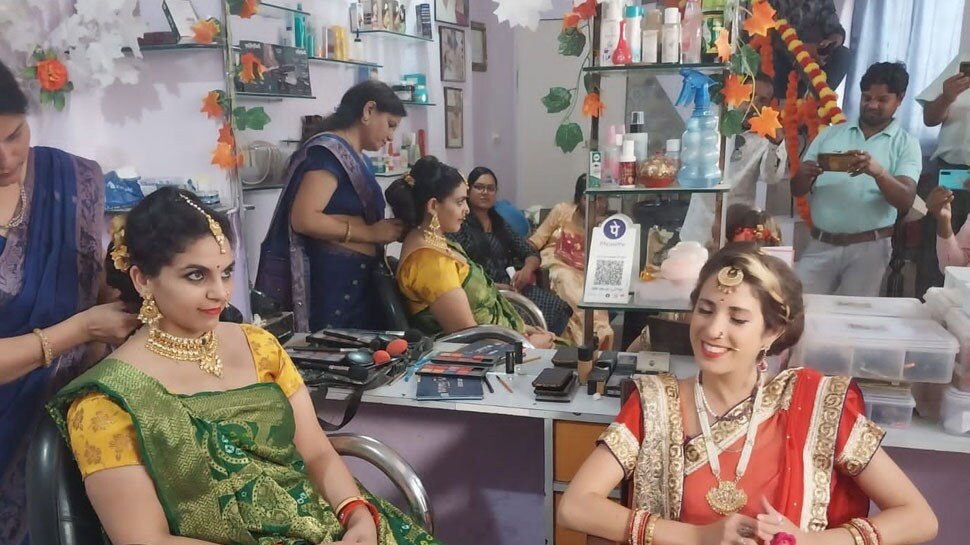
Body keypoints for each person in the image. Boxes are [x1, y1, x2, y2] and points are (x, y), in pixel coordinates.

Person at [47, 187, 440, 545]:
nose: (220, 292)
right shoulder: (105, 404)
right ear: (143, 280)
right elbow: (143, 540)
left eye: (227, 271)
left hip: (331, 528)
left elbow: (317, 452)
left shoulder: (259, 345)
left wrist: (357, 513)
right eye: (196, 275)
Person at [558, 244, 938, 545]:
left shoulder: (816, 405)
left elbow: (918, 518)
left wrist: (812, 541)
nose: (713, 330)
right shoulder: (655, 403)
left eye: (737, 319)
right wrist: (696, 537)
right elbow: (575, 507)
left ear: (771, 333)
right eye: (705, 311)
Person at [0, 59, 138, 544]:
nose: (6, 157)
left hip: (72, 409)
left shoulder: (68, 179)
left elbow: (90, 275)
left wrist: (125, 286)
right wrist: (80, 330)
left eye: (15, 134)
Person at [255, 80, 407, 332]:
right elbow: (304, 219)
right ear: (369, 110)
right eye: (390, 125)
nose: (391, 136)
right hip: (332, 282)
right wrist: (370, 233)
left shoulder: (360, 158)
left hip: (358, 281)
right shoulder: (327, 154)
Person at [386, 156, 555, 349]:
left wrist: (521, 328)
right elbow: (472, 342)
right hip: (497, 354)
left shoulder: (432, 240)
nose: (466, 209)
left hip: (507, 337)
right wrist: (527, 345)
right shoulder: (430, 263)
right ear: (433, 206)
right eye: (459, 202)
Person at [792, 62, 920, 296]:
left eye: (882, 100)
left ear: (899, 99)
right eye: (866, 97)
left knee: (856, 317)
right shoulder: (830, 134)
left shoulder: (906, 144)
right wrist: (802, 175)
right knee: (798, 308)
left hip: (870, 248)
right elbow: (797, 189)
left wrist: (878, 172)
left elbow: (905, 200)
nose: (872, 104)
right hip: (821, 243)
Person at [449, 166, 572, 335]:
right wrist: (496, 287)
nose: (485, 192)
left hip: (513, 287)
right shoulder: (459, 225)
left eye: (491, 188)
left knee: (559, 308)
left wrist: (526, 271)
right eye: (479, 187)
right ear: (468, 191)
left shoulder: (499, 223)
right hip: (486, 293)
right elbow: (461, 271)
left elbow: (530, 252)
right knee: (534, 317)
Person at [682, 73, 788, 248]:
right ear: (736, 96)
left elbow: (771, 178)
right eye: (750, 97)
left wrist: (776, 145)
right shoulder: (709, 126)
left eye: (762, 100)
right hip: (699, 227)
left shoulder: (766, 138)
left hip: (740, 228)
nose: (755, 105)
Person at [528, 174, 613, 348]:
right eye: (589, 198)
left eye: (602, 199)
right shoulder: (562, 211)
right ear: (579, 197)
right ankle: (585, 344)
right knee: (568, 283)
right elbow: (536, 240)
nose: (596, 204)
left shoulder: (609, 226)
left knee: (596, 293)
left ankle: (600, 336)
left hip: (587, 270)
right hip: (558, 264)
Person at [919, 53, 970, 271]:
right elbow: (930, 119)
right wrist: (946, 97)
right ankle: (931, 303)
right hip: (953, 172)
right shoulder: (965, 60)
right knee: (935, 253)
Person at [771, 0, 851, 96]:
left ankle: (815, 100)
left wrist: (829, 44)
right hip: (780, 56)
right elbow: (762, 36)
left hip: (814, 58)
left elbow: (836, 30)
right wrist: (803, 49)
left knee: (843, 54)